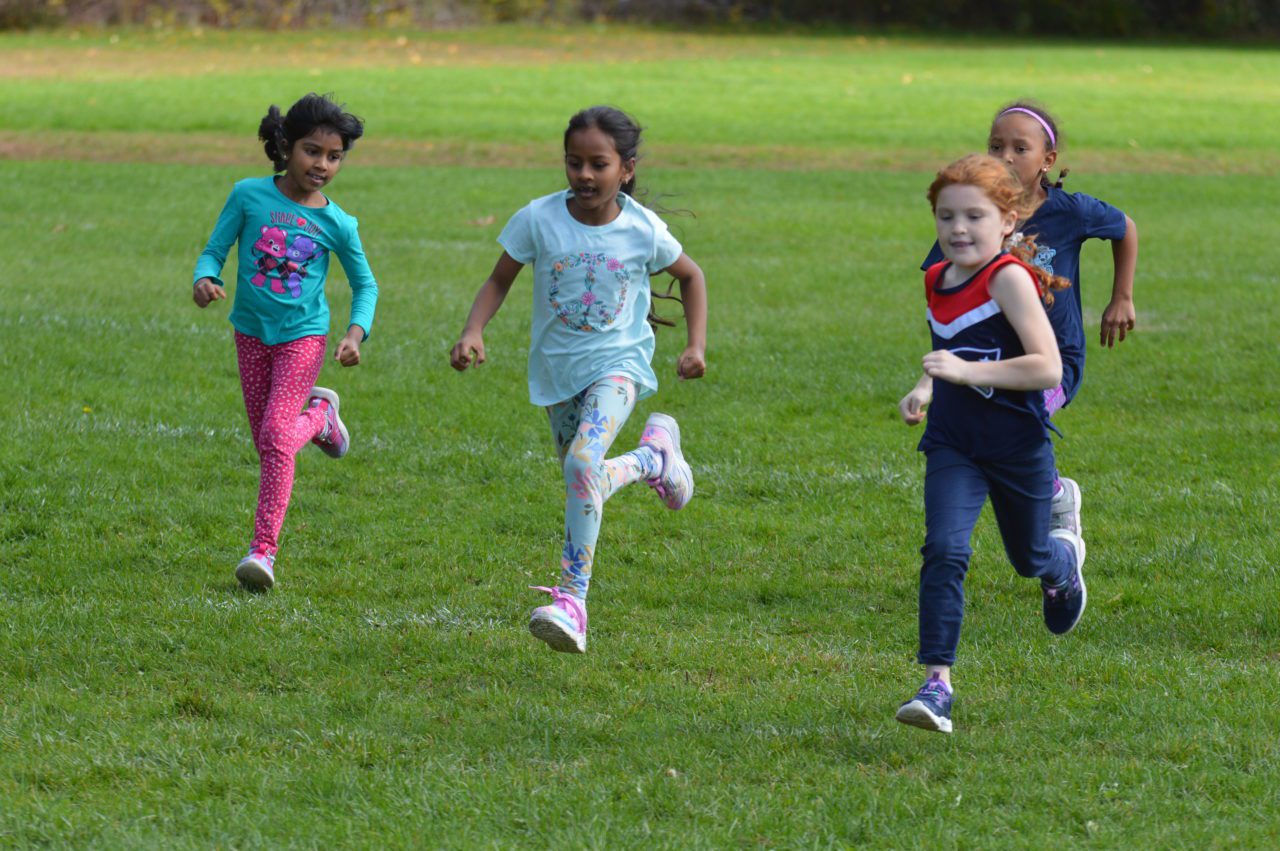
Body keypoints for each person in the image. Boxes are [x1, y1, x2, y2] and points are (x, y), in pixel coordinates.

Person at [450, 105, 708, 654]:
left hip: (620, 367)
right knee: (581, 477)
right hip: (556, 374)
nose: (585, 175)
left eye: (599, 164)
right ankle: (653, 460)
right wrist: (474, 330)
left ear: (627, 169)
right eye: (574, 163)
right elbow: (499, 280)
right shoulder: (539, 220)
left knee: (583, 464)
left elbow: (691, 275)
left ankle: (572, 600)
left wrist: (694, 344)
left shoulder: (642, 229)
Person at [896, 154, 1087, 734]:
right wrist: (927, 385)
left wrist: (963, 373)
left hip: (1015, 445)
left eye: (974, 216)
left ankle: (1063, 564)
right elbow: (952, 343)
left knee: (1026, 558)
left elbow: (1047, 368)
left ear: (1007, 220)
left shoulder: (1008, 278)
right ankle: (936, 686)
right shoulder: (937, 279)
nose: (958, 229)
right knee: (945, 551)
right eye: (946, 216)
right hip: (953, 441)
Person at [922, 100, 1139, 537]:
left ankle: (1055, 494)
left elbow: (1125, 227)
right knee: (995, 425)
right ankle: (1030, 494)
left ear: (1047, 161)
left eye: (1020, 148)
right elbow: (939, 273)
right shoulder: (977, 219)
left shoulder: (1070, 211)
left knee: (1026, 413)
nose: (1005, 156)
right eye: (996, 146)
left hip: (1058, 358)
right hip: (999, 357)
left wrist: (1122, 297)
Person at [191, 93, 378, 591]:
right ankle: (320, 419)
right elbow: (214, 250)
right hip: (250, 335)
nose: (322, 164)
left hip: (304, 337)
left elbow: (366, 285)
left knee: (276, 437)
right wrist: (204, 281)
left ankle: (263, 553)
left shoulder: (338, 223)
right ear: (285, 147)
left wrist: (355, 333)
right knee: (268, 444)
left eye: (334, 156)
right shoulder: (248, 196)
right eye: (311, 151)